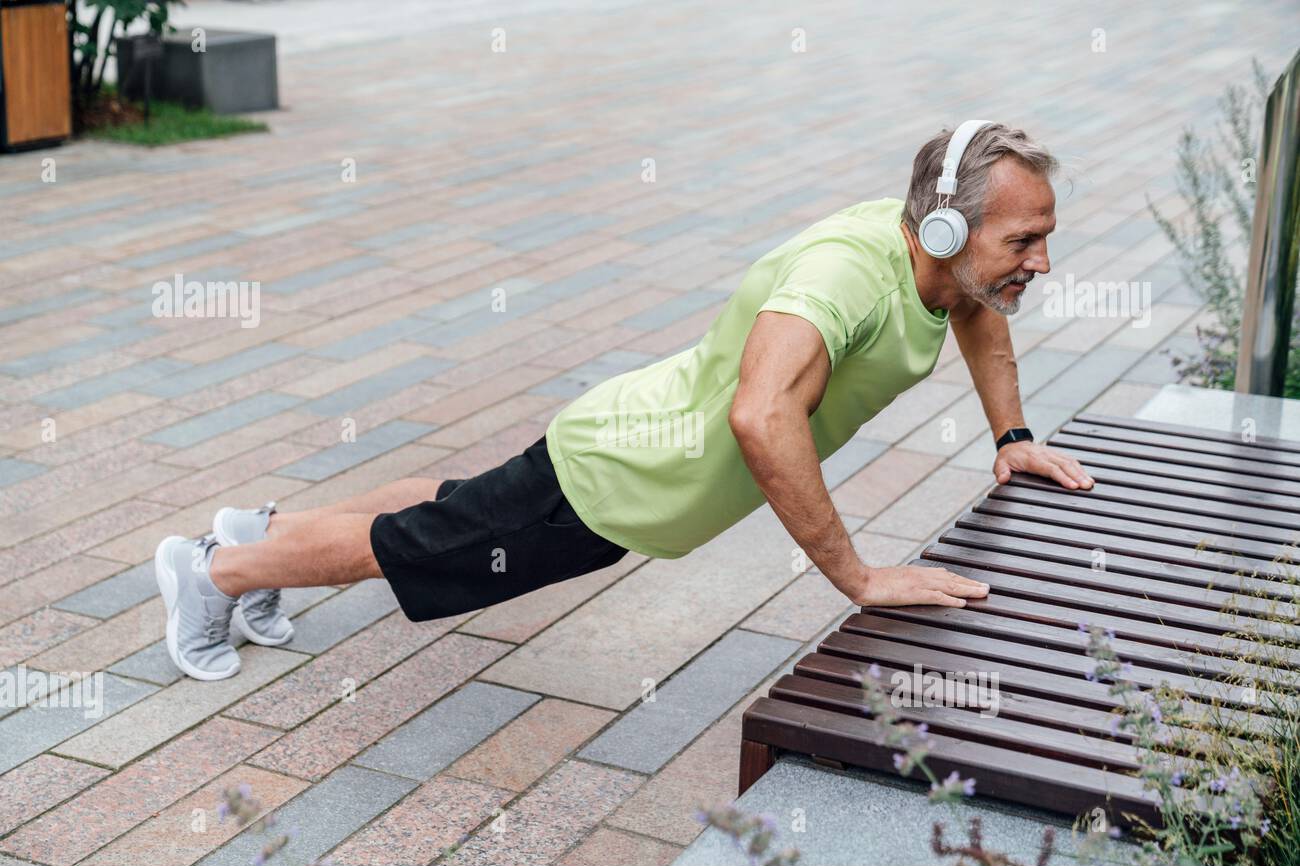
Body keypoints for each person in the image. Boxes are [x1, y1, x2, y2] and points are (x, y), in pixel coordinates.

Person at [154, 121, 1093, 681]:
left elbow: (978, 307)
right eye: (1024, 240)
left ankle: (259, 528)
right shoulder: (844, 279)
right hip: (626, 479)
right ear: (942, 224)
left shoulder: (943, 264)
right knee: (415, 547)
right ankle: (217, 573)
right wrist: (856, 575)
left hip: (623, 449)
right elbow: (761, 416)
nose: (1038, 263)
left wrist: (1010, 434)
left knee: (453, 501)